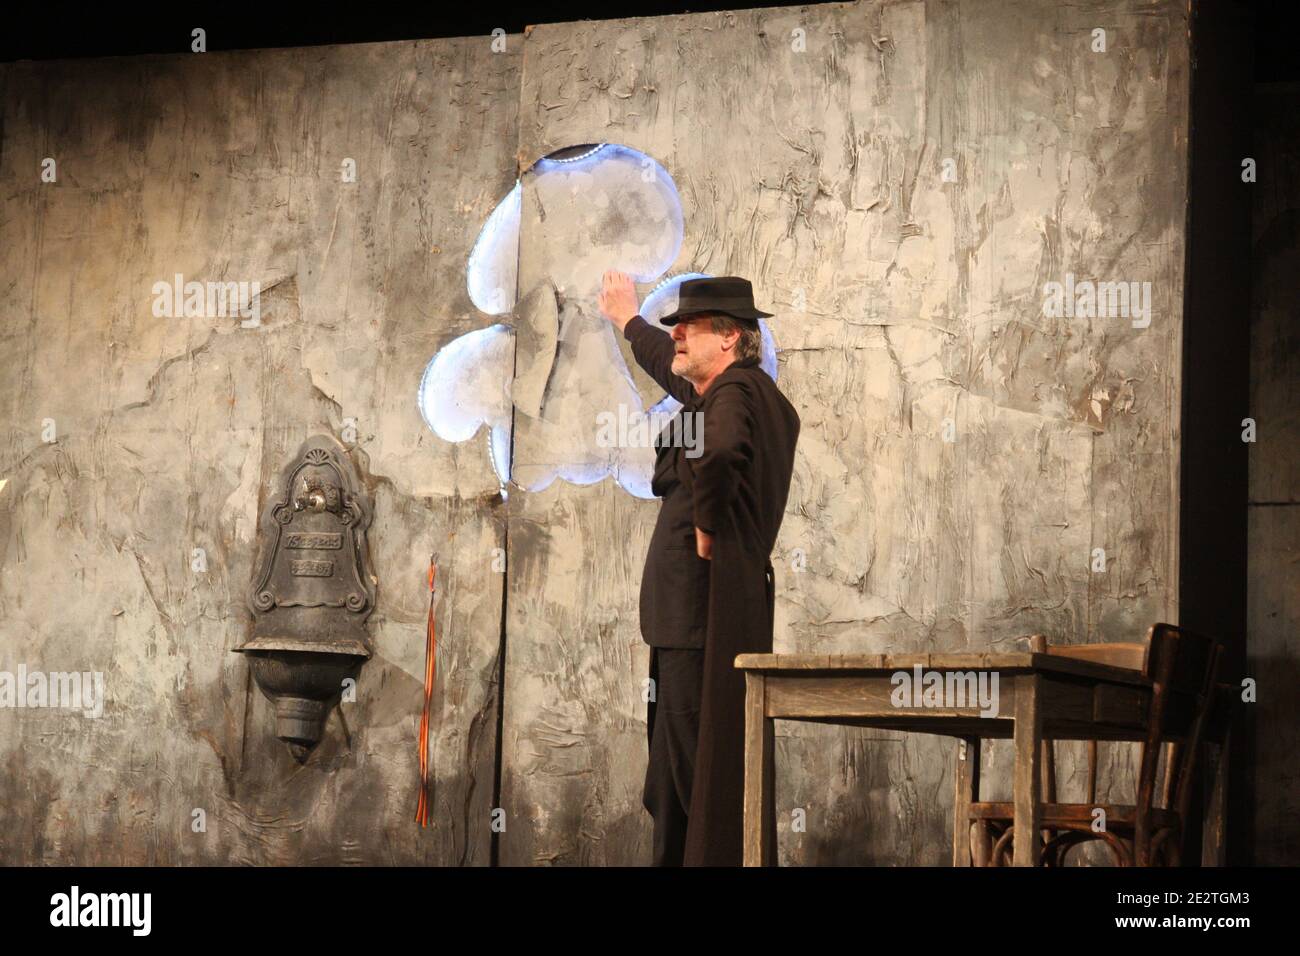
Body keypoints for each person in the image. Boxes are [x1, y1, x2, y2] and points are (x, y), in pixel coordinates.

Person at [598, 271, 801, 865]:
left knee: (688, 770)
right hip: (683, 622)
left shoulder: (734, 393)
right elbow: (669, 361)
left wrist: (708, 527)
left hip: (694, 620)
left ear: (732, 338)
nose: (678, 333)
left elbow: (717, 456)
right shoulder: (718, 393)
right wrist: (628, 320)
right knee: (672, 776)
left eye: (692, 326)